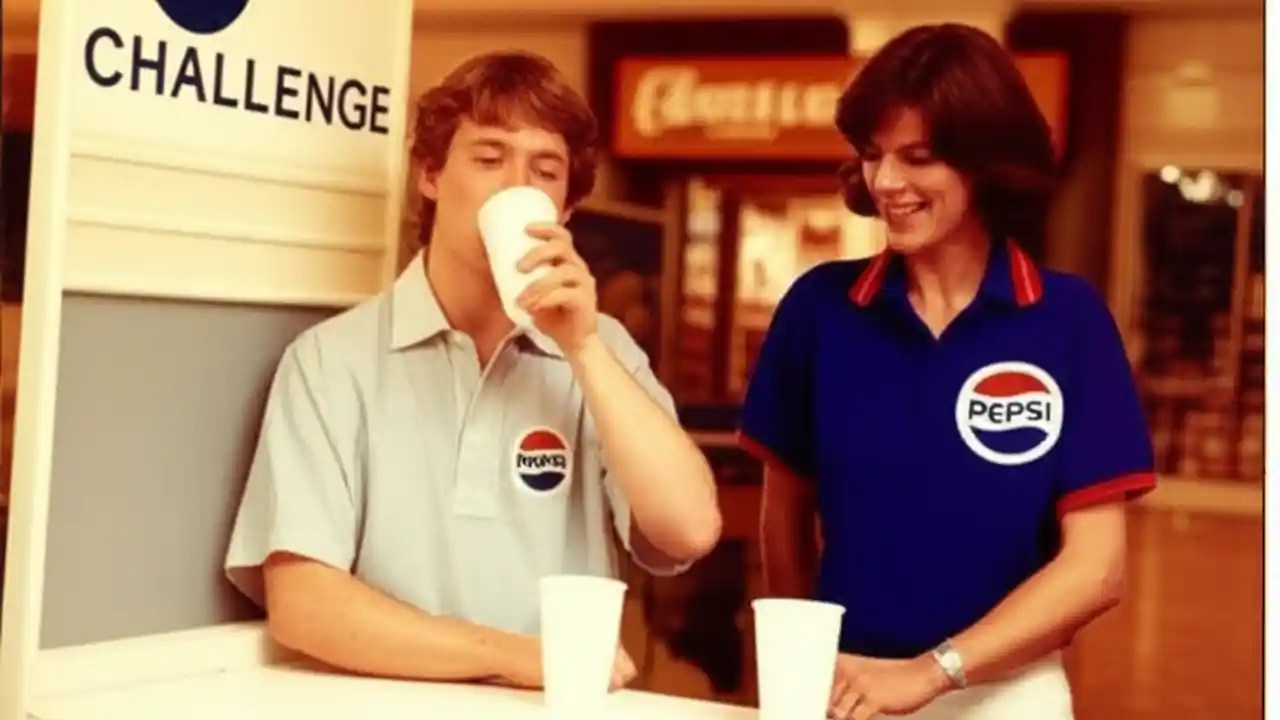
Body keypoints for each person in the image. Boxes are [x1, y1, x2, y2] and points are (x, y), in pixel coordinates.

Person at [224, 50, 722, 691]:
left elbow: (689, 531)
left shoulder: (606, 353)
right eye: (489, 159)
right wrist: (513, 655)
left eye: (546, 170)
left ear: (566, 208)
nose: (518, 186)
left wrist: (584, 350)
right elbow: (302, 603)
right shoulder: (331, 360)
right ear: (431, 174)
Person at [739, 24, 1154, 720]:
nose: (888, 182)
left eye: (919, 157)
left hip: (1009, 695)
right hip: (846, 690)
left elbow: (1097, 568)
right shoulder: (819, 309)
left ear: (984, 164)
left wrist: (933, 672)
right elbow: (783, 517)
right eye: (874, 156)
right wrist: (807, 661)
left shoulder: (1067, 320)